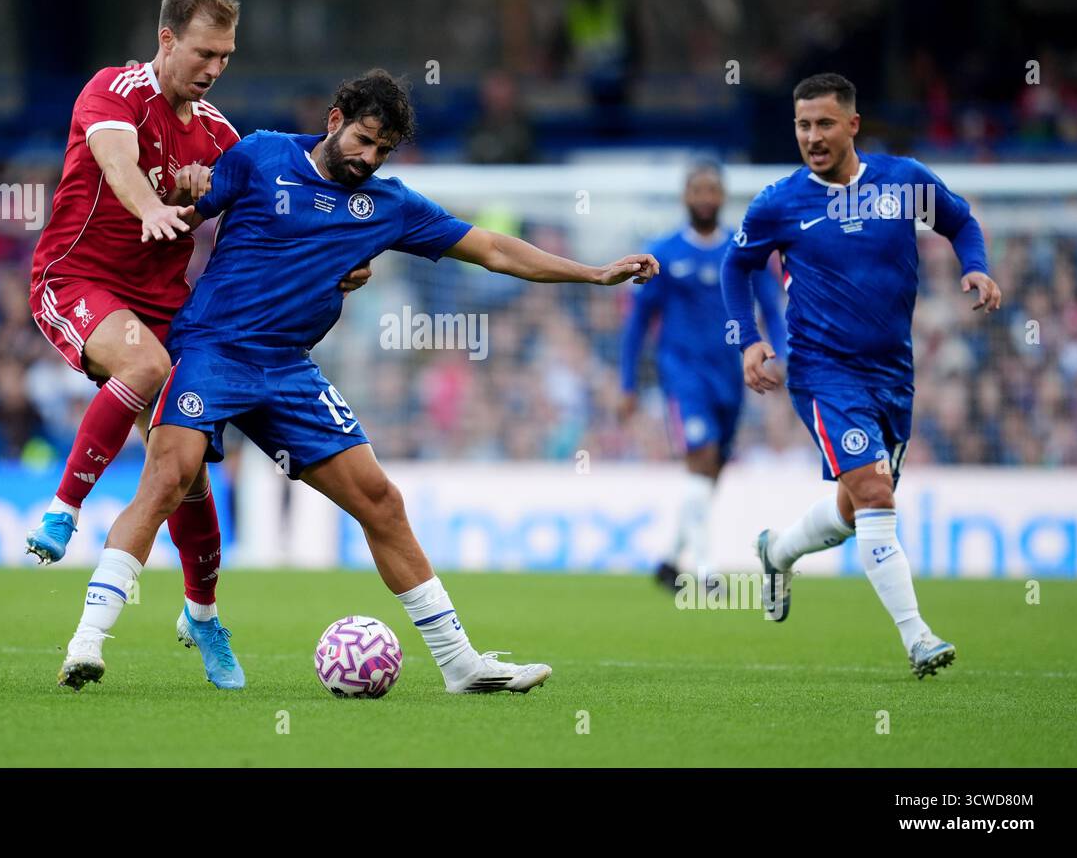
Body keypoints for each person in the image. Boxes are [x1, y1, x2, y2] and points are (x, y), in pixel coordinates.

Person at [58, 69, 659, 694]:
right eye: (364, 140)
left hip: (289, 369)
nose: (368, 158)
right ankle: (87, 642)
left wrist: (593, 275)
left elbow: (492, 250)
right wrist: (186, 187)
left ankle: (460, 665)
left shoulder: (390, 206)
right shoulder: (261, 154)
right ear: (335, 118)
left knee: (381, 502)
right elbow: (177, 218)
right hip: (211, 352)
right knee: (166, 480)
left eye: (383, 150)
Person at [25, 0, 370, 677]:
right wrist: (152, 206)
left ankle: (203, 616)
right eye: (205, 53)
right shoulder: (113, 92)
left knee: (184, 468)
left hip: (161, 308)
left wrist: (331, 266)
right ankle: (63, 507)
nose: (215, 70)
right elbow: (117, 161)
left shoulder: (219, 135)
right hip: (78, 280)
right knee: (146, 369)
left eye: (226, 58)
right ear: (166, 39)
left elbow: (270, 220)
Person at [720, 72, 1002, 679]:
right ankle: (918, 638)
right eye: (802, 125)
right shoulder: (779, 201)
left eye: (824, 123)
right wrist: (748, 339)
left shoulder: (904, 181)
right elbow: (734, 266)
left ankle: (777, 551)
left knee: (855, 509)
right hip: (823, 372)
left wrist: (976, 268)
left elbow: (961, 222)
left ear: (852, 124)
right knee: (878, 495)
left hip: (893, 374)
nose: (812, 137)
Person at [619, 161, 786, 591]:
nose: (705, 198)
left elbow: (770, 305)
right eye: (698, 190)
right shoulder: (665, 253)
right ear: (685, 197)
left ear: (722, 197)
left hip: (731, 376)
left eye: (713, 190)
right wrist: (628, 384)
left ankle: (671, 560)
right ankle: (707, 571)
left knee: (710, 471)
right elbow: (638, 323)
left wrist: (782, 354)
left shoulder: (743, 249)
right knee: (702, 456)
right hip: (682, 374)